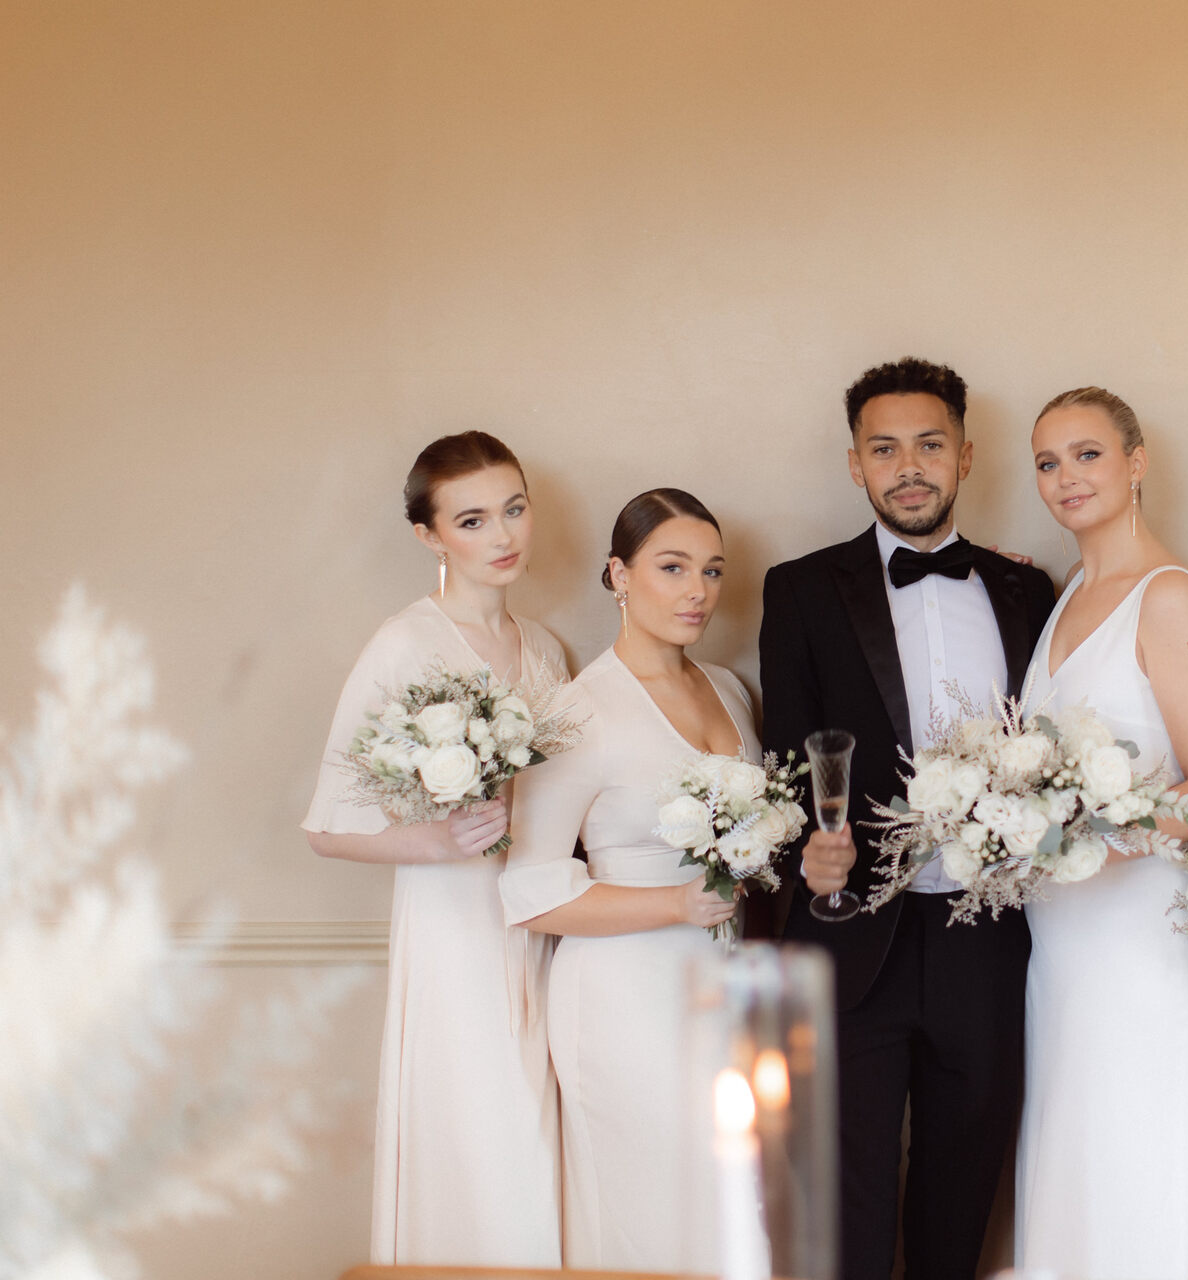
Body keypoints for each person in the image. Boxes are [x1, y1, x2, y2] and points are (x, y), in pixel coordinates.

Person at [754, 357, 1056, 1280]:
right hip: (852, 932)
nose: (908, 466)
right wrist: (813, 851)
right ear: (856, 465)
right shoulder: (800, 590)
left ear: (965, 455)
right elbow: (789, 754)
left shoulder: (1026, 591)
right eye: (885, 449)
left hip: (987, 929)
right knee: (846, 1187)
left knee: (964, 1179)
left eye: (929, 445)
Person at [301, 432, 563, 1266]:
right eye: (474, 519)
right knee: (476, 1133)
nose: (502, 537)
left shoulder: (548, 651)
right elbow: (327, 827)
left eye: (514, 509)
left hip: (544, 921)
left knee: (538, 1135)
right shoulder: (404, 644)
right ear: (430, 536)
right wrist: (440, 839)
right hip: (453, 931)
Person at [1013, 386, 1188, 1280]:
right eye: (1046, 462)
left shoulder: (1170, 597)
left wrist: (1092, 839)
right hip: (1064, 935)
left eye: (1087, 454)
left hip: (1142, 929)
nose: (1066, 477)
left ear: (1137, 463)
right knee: (1075, 1135)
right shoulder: (1070, 591)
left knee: (1138, 1139)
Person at [498, 488, 753, 1271]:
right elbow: (533, 892)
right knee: (645, 1211)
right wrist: (677, 901)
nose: (697, 591)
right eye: (671, 568)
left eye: (710, 571)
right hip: (621, 996)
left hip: (724, 988)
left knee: (725, 1206)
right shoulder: (578, 711)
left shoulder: (732, 690)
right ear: (618, 574)